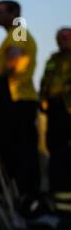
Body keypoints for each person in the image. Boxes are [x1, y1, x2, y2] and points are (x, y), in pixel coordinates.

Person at [0, 0, 40, 201]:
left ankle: (26, 193)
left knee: (20, 147)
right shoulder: (12, 34)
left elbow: (14, 61)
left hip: (16, 98)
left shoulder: (19, 30)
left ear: (14, 13)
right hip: (12, 96)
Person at [39, 26, 71, 201]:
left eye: (67, 37)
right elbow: (45, 82)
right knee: (55, 149)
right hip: (54, 111)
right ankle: (56, 190)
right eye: (61, 37)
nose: (64, 40)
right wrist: (43, 99)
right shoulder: (53, 60)